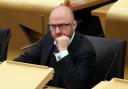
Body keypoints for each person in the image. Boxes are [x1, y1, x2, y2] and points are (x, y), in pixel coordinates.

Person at [15, 5, 96, 89]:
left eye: (62, 25)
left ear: (74, 25)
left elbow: (76, 86)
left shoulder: (86, 51)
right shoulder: (49, 37)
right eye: (53, 26)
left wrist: (63, 52)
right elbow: (28, 59)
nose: (57, 31)